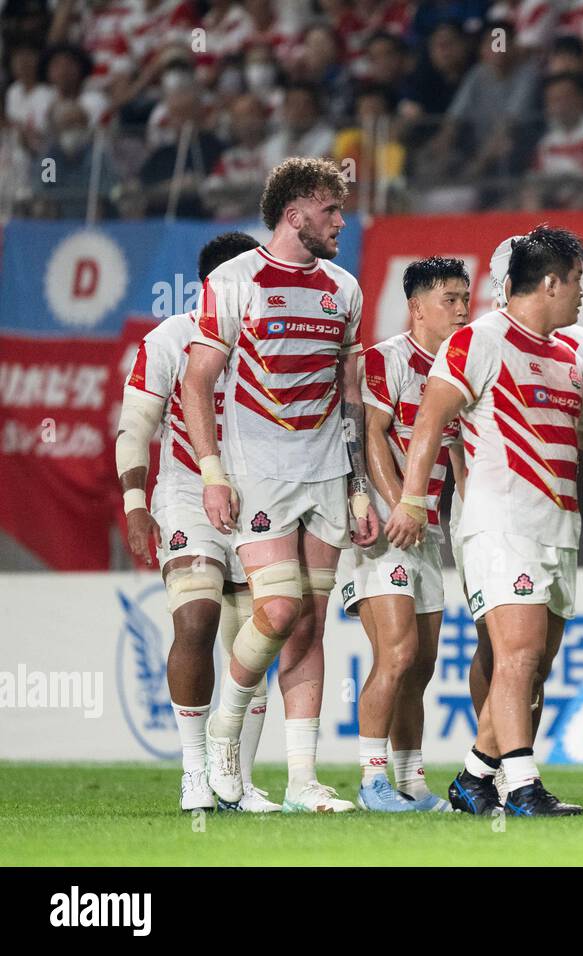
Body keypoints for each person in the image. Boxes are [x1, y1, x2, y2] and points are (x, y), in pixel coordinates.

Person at [385, 225, 583, 816]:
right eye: (577, 281)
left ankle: (475, 777)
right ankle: (523, 787)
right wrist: (413, 499)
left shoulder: (572, 351)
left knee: (535, 668)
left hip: (558, 525)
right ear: (550, 281)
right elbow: (430, 421)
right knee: (517, 655)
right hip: (499, 522)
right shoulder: (479, 340)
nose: (582, 293)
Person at [181, 157, 379, 813]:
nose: (340, 222)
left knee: (309, 626)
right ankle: (223, 736)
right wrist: (212, 474)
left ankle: (301, 781)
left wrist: (357, 488)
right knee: (275, 611)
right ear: (296, 215)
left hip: (326, 474)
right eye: (330, 211)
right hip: (258, 474)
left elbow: (349, 392)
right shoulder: (235, 281)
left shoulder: (344, 288)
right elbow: (197, 380)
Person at [116, 231, 278, 813]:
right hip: (187, 495)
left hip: (261, 501)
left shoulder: (272, 341)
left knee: (254, 643)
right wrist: (136, 504)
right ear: (216, 284)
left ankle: (238, 779)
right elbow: (136, 425)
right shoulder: (171, 338)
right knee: (197, 618)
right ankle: (193, 773)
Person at [343, 257, 470, 812]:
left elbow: (461, 455)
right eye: (450, 298)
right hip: (385, 526)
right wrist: (402, 506)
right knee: (394, 655)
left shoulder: (460, 371)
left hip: (425, 532)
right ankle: (372, 782)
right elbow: (369, 434)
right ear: (417, 307)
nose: (463, 308)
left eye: (466, 298)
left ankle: (411, 781)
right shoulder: (386, 358)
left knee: (419, 665)